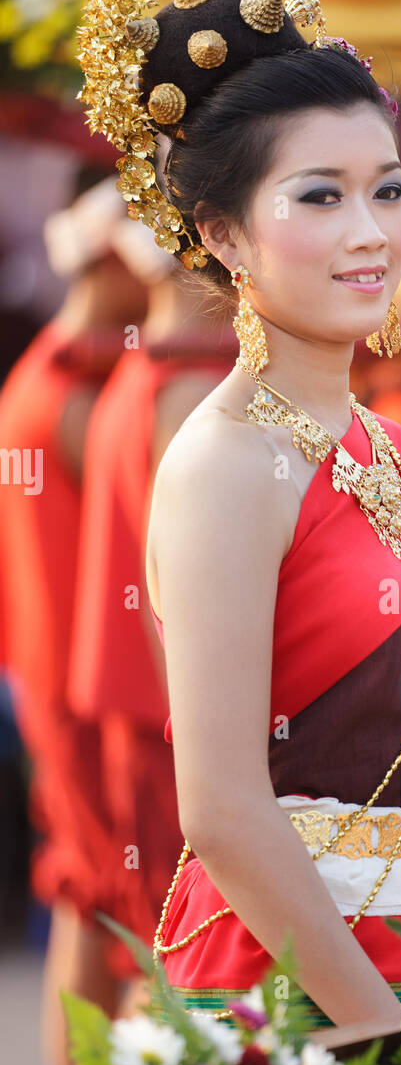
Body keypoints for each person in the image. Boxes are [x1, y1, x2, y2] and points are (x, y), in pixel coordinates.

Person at [75, 0, 401, 1031]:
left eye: (386, 189)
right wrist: (385, 1028)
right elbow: (224, 810)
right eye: (319, 196)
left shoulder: (381, 443)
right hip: (297, 989)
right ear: (225, 235)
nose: (371, 230)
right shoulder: (224, 465)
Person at [67, 203, 236, 1012]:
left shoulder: (150, 372)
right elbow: (181, 598)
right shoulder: (191, 384)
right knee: (181, 965)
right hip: (171, 726)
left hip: (153, 719)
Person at [0, 171, 148, 1065]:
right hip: (103, 704)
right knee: (150, 927)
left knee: (90, 900)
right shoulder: (85, 392)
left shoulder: (48, 369)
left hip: (57, 690)